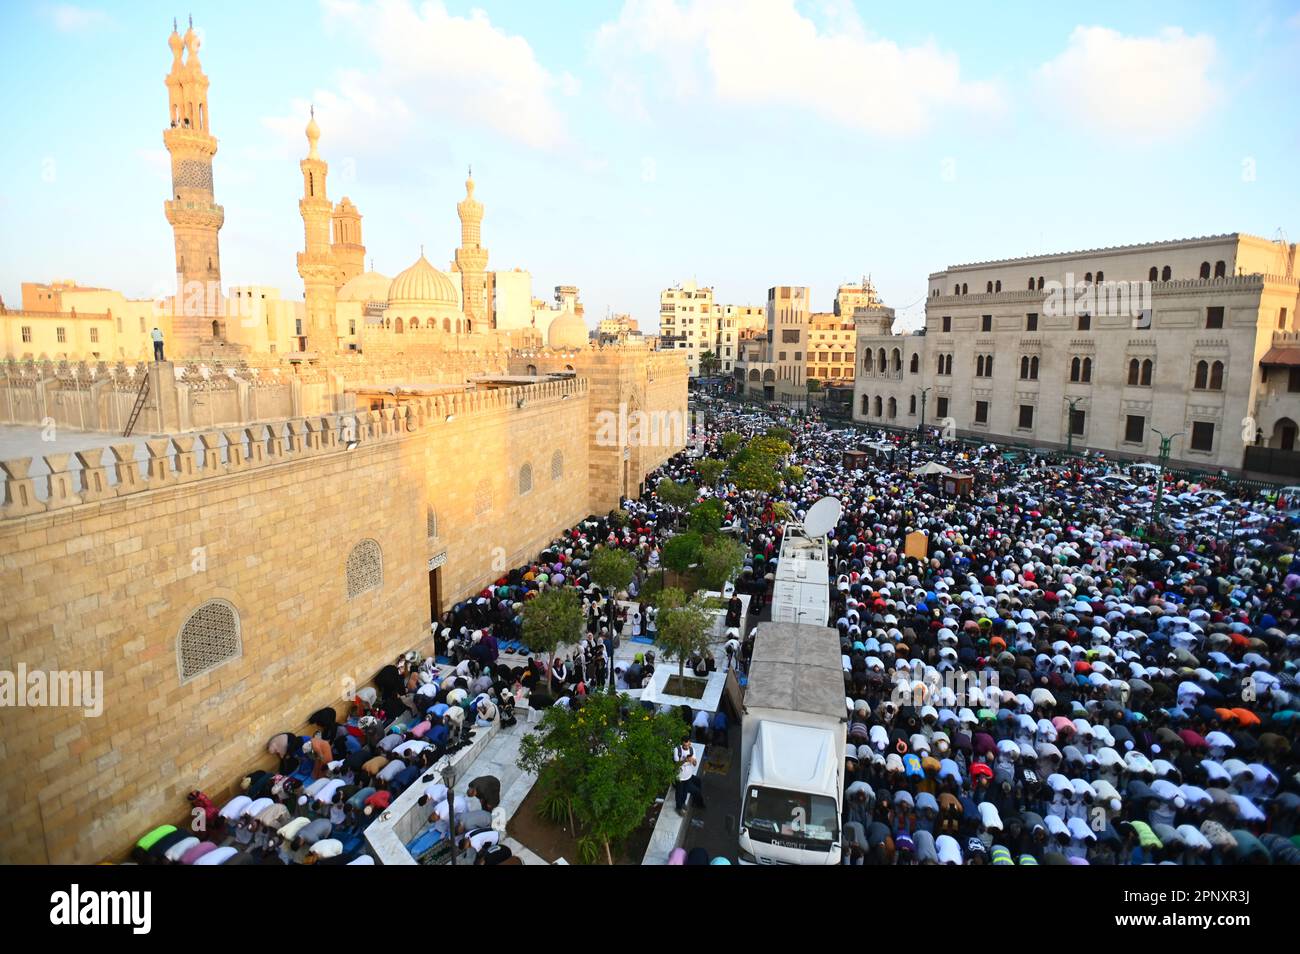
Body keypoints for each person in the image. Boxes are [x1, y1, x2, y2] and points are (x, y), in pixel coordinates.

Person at [673, 737, 706, 814]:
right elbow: (676, 764)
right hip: (679, 777)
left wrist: (693, 761)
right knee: (679, 793)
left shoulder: (692, 750)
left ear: (689, 743)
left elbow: (694, 764)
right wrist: (685, 760)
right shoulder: (677, 750)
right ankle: (678, 807)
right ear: (682, 744)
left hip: (688, 775)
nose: (687, 747)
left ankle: (683, 803)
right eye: (685, 746)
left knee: (685, 791)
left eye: (688, 745)